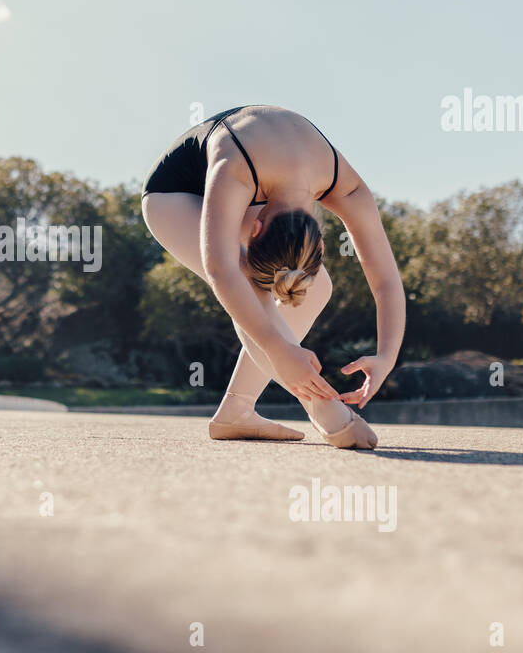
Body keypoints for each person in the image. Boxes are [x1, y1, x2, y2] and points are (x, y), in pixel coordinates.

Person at [140, 105, 405, 448]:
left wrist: (387, 356)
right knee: (247, 287)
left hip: (258, 178)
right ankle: (330, 416)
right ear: (256, 230)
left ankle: (235, 413)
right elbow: (221, 271)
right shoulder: (235, 168)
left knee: (317, 287)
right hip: (174, 193)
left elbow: (385, 280)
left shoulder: (347, 186)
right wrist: (278, 350)